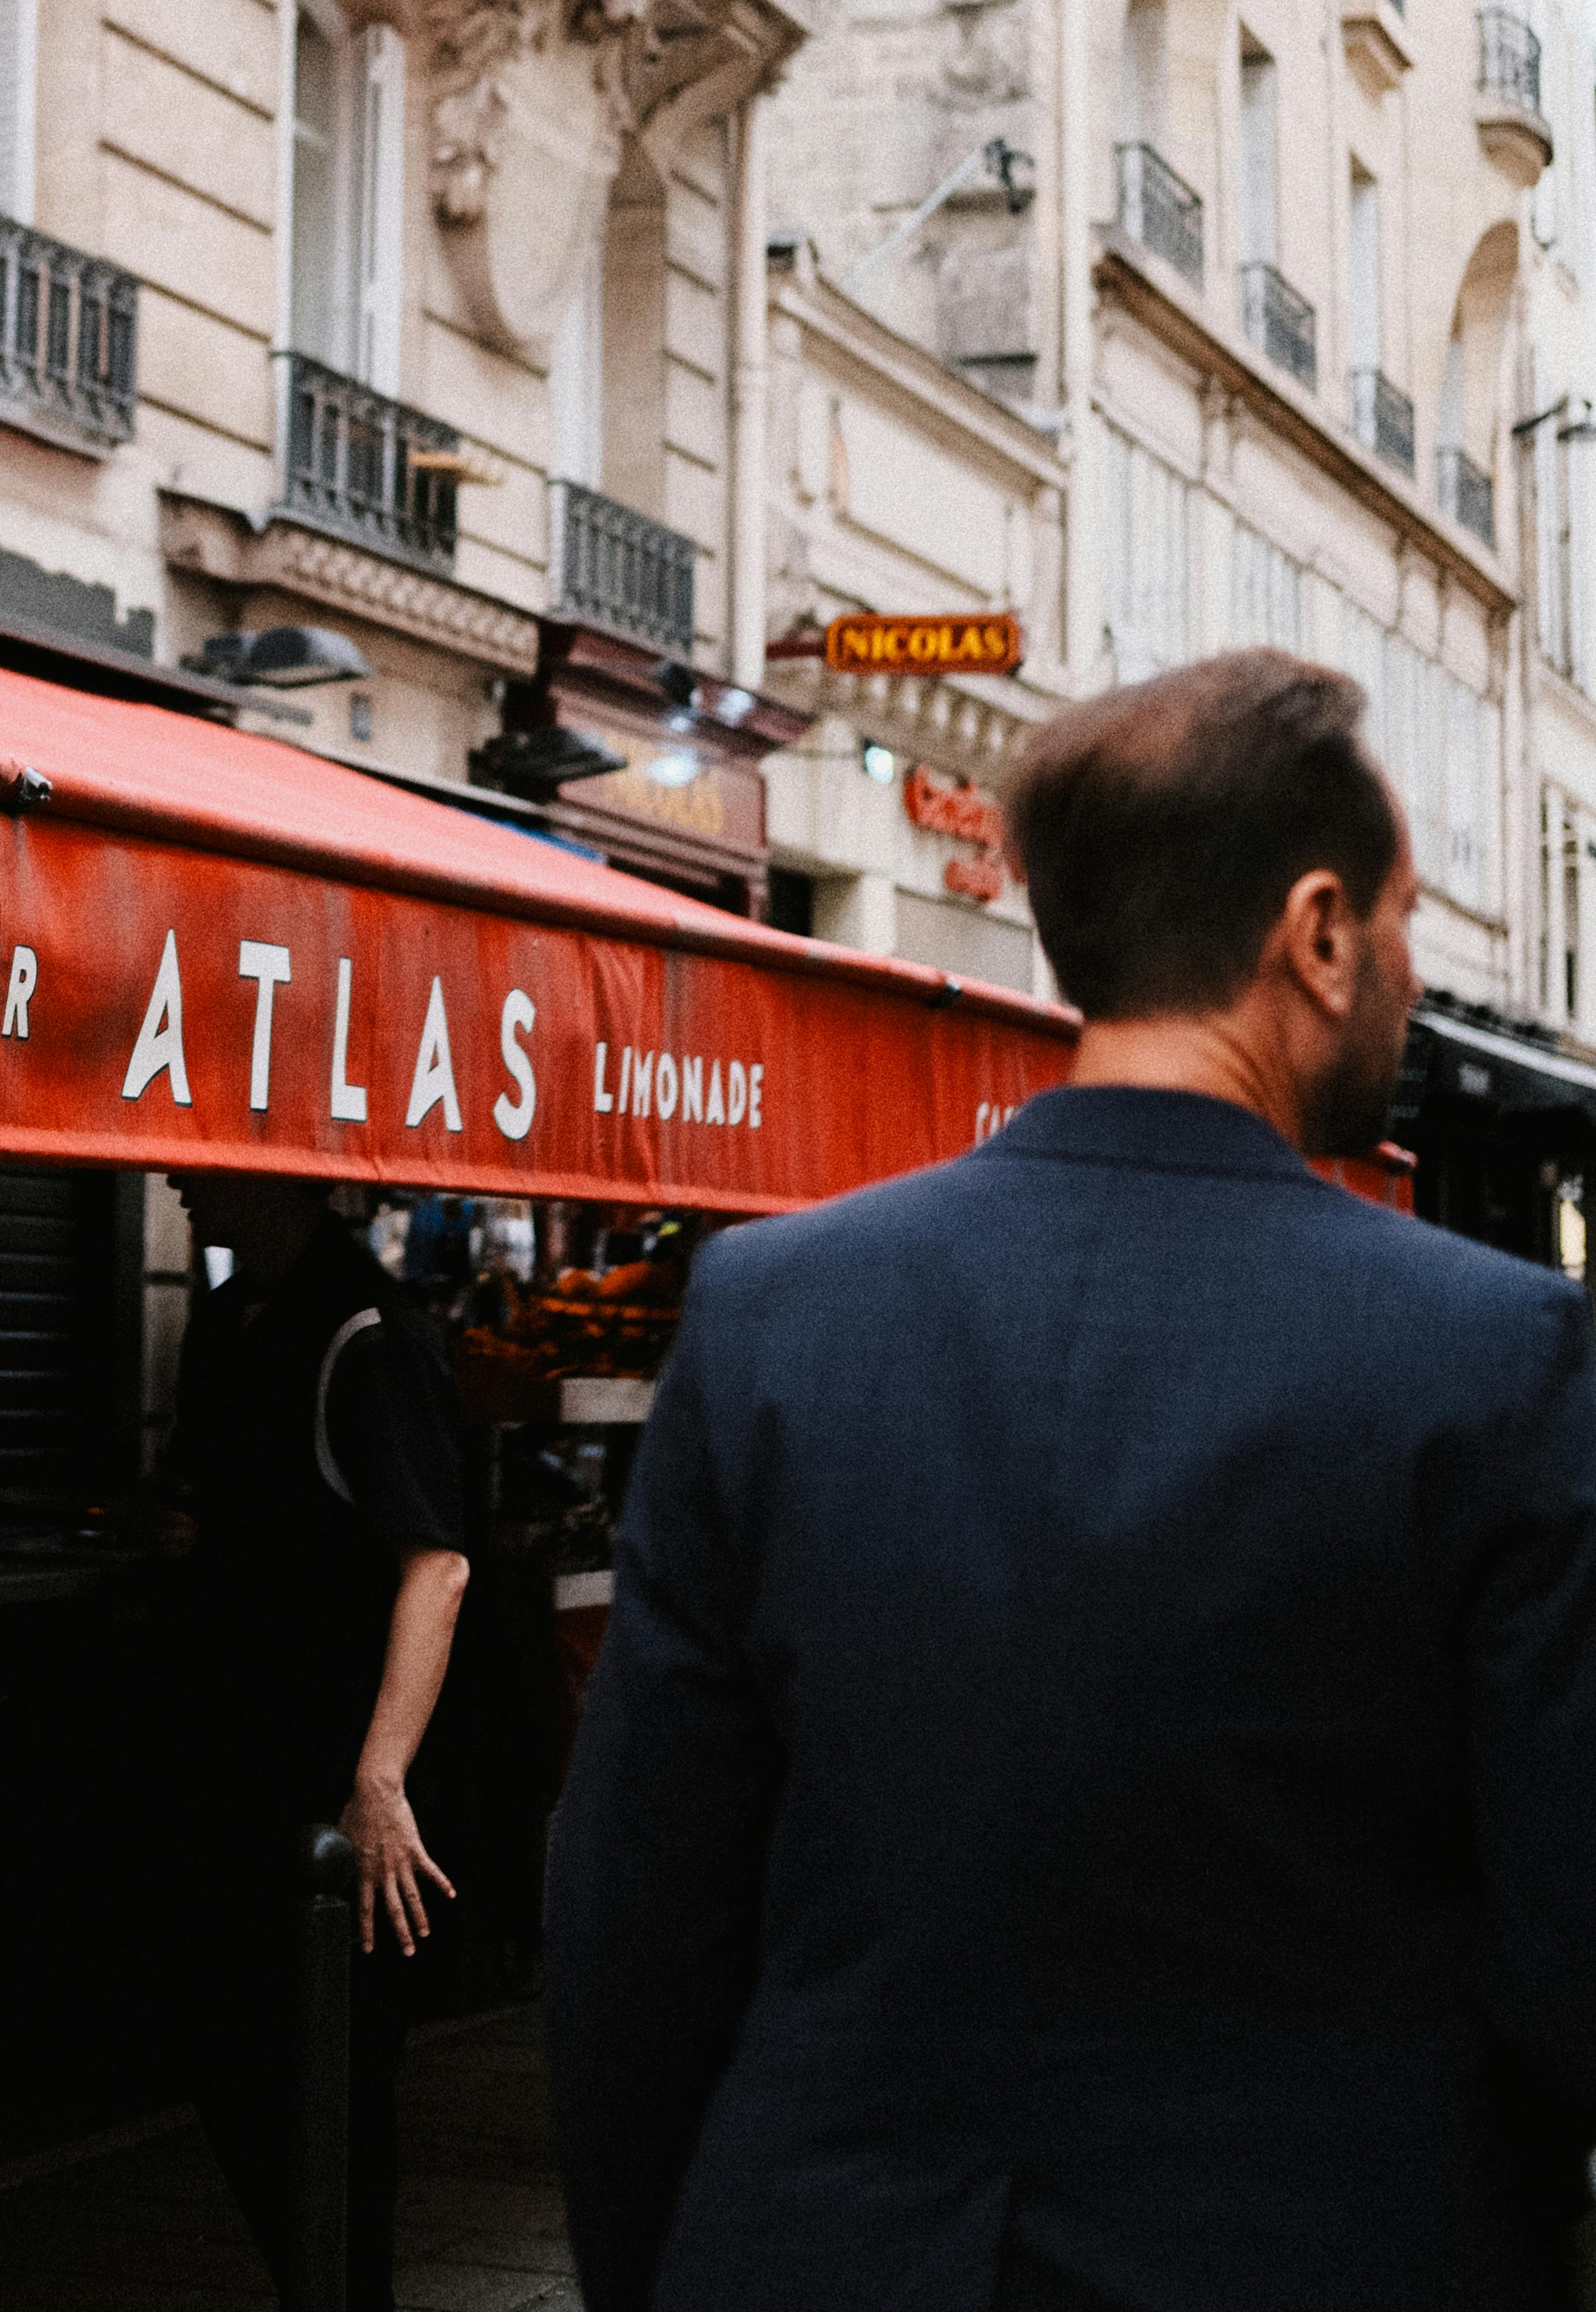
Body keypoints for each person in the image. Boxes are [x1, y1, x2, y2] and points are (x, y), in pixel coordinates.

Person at [548, 649, 1596, 2312]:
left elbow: (633, 1930)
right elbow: (1567, 1970)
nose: (1404, 973)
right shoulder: (1498, 1361)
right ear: (1315, 934)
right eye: (1396, 923)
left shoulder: (775, 1317)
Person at [164, 1171, 472, 2312]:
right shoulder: (227, 1315)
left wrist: (381, 1780)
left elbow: (435, 1567)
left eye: (199, 1157)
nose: (172, 1178)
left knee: (330, 2104)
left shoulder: (364, 1332)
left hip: (335, 1815)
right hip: (237, 1777)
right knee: (233, 2067)